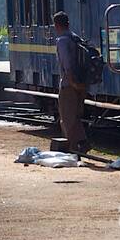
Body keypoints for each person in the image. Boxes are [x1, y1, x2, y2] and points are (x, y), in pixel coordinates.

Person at [53, 11, 88, 153]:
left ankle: (74, 148)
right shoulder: (75, 37)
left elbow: (67, 64)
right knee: (76, 116)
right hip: (82, 83)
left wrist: (72, 81)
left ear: (56, 25)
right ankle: (82, 144)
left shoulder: (62, 41)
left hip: (69, 84)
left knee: (67, 117)